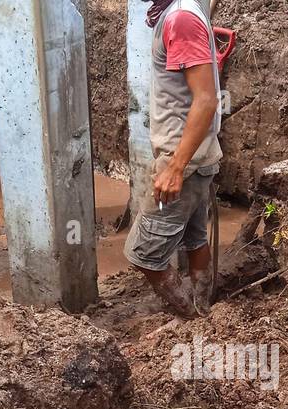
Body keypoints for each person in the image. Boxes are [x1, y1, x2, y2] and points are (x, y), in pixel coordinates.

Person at [123, 0, 223, 316]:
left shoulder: (180, 18)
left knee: (143, 254)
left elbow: (206, 100)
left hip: (183, 160)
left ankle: (192, 318)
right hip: (198, 156)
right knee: (194, 239)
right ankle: (204, 307)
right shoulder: (185, 8)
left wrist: (176, 167)